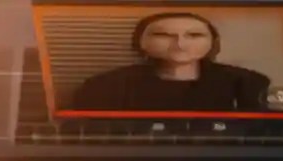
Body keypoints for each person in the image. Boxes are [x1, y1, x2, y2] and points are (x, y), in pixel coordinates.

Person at [71, 12, 271, 112]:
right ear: (140, 42)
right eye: (163, 35)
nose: (180, 44)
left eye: (194, 35)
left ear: (213, 42)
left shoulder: (249, 83)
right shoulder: (105, 85)